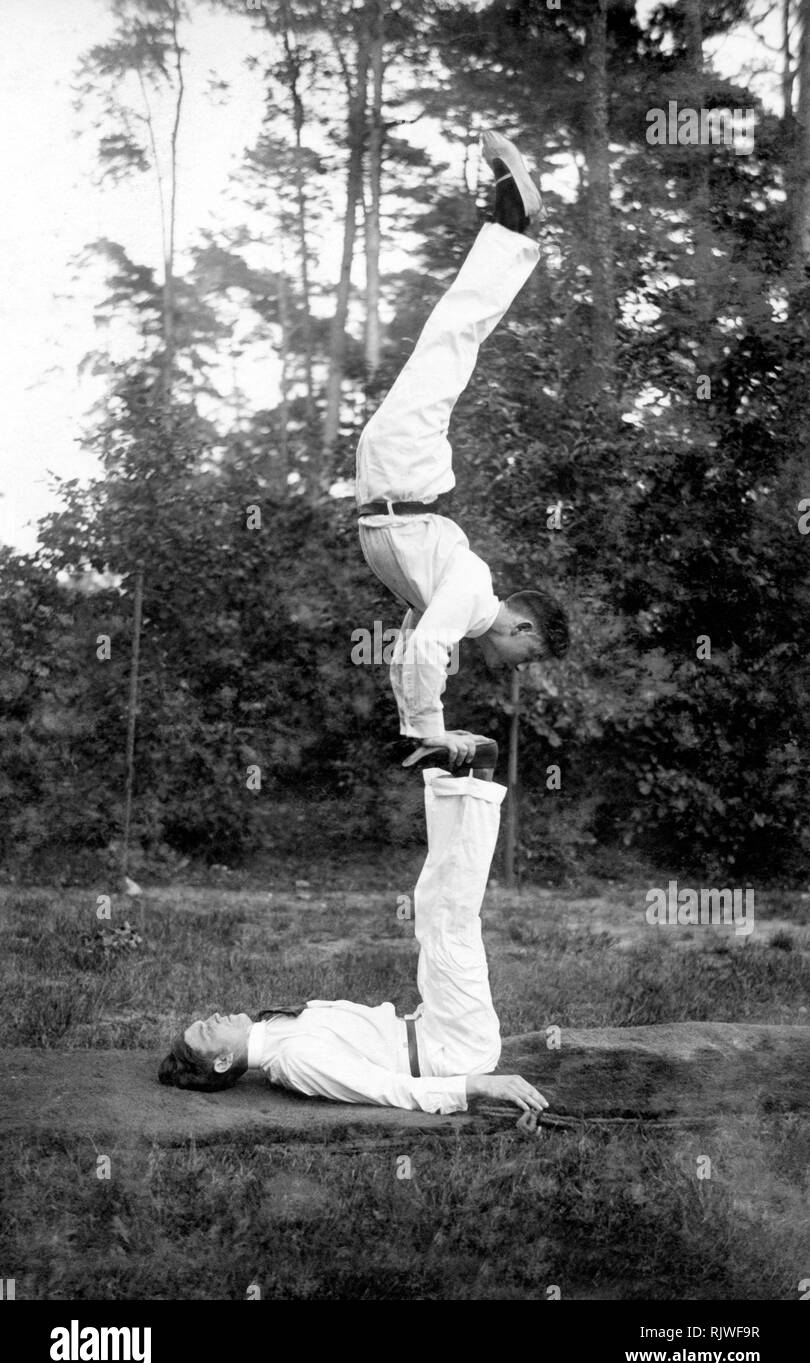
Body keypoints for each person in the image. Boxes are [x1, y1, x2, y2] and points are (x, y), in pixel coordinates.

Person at [159, 766, 549, 1124]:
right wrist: (481, 1085)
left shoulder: (273, 1029)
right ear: (225, 1062)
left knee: (433, 911)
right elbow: (388, 1089)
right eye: (207, 1032)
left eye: (203, 1022)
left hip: (431, 1025)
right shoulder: (295, 1060)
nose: (212, 1017)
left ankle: (457, 782)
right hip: (455, 1049)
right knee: (451, 928)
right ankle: (479, 779)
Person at [355, 130, 569, 773]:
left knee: (450, 336)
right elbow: (425, 651)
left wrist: (414, 729)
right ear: (523, 629)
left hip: (392, 483)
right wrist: (434, 729)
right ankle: (516, 225)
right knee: (453, 334)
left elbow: (409, 650)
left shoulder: (462, 604)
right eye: (526, 657)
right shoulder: (475, 594)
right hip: (403, 473)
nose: (515, 666)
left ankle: (511, 225)